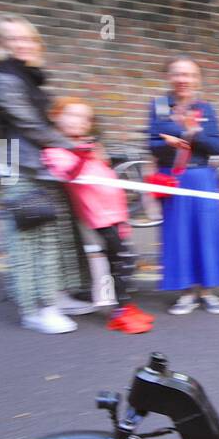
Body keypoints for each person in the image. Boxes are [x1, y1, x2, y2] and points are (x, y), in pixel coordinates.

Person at [0, 14, 92, 334]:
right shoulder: (4, 79)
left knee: (55, 235)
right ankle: (35, 309)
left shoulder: (29, 77)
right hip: (24, 167)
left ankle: (56, 296)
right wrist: (71, 147)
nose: (22, 45)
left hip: (43, 165)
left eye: (28, 39)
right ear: (1, 44)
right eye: (14, 39)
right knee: (33, 240)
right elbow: (29, 124)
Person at [43, 98, 153, 334]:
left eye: (85, 117)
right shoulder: (55, 150)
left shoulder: (85, 146)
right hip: (99, 216)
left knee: (123, 260)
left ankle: (125, 306)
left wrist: (91, 152)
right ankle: (119, 312)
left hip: (115, 212)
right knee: (119, 260)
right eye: (73, 115)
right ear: (56, 116)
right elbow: (69, 174)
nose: (81, 121)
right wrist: (84, 153)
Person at [148, 56, 219, 315]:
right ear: (169, 77)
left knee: (207, 233)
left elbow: (218, 147)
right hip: (174, 176)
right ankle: (185, 293)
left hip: (203, 177)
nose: (183, 80)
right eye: (177, 74)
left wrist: (196, 134)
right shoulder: (160, 106)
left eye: (189, 75)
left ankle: (208, 291)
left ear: (197, 79)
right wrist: (176, 139)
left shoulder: (206, 109)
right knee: (178, 234)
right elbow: (152, 145)